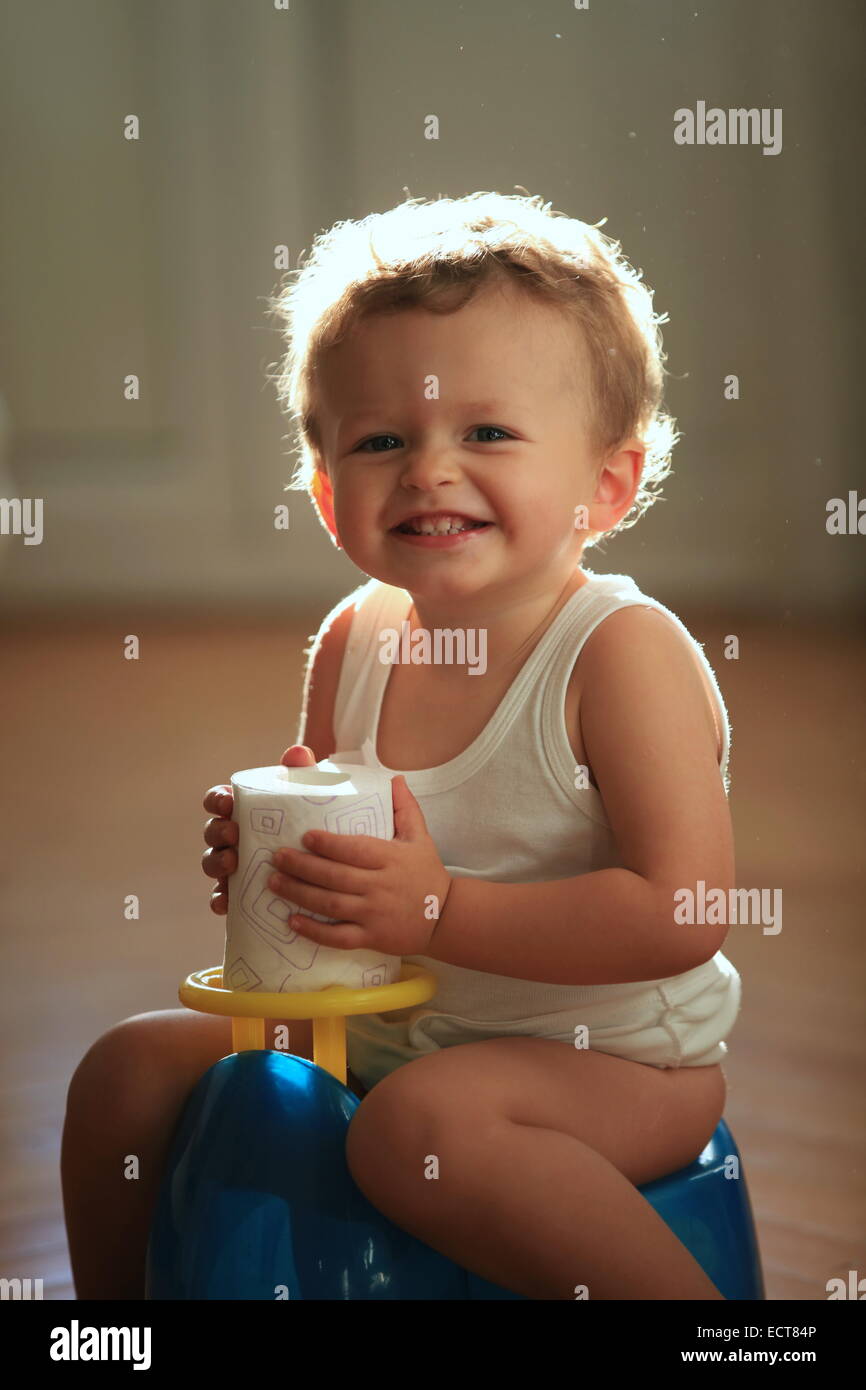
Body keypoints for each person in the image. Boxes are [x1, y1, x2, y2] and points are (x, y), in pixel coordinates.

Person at [62, 191, 740, 1300]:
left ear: (603, 485)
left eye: (485, 432)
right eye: (381, 439)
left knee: (416, 1131)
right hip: (385, 1028)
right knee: (127, 1070)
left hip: (610, 1061)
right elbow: (349, 884)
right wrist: (282, 877)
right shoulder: (354, 640)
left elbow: (685, 911)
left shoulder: (618, 656)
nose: (427, 468)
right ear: (329, 495)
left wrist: (437, 911)